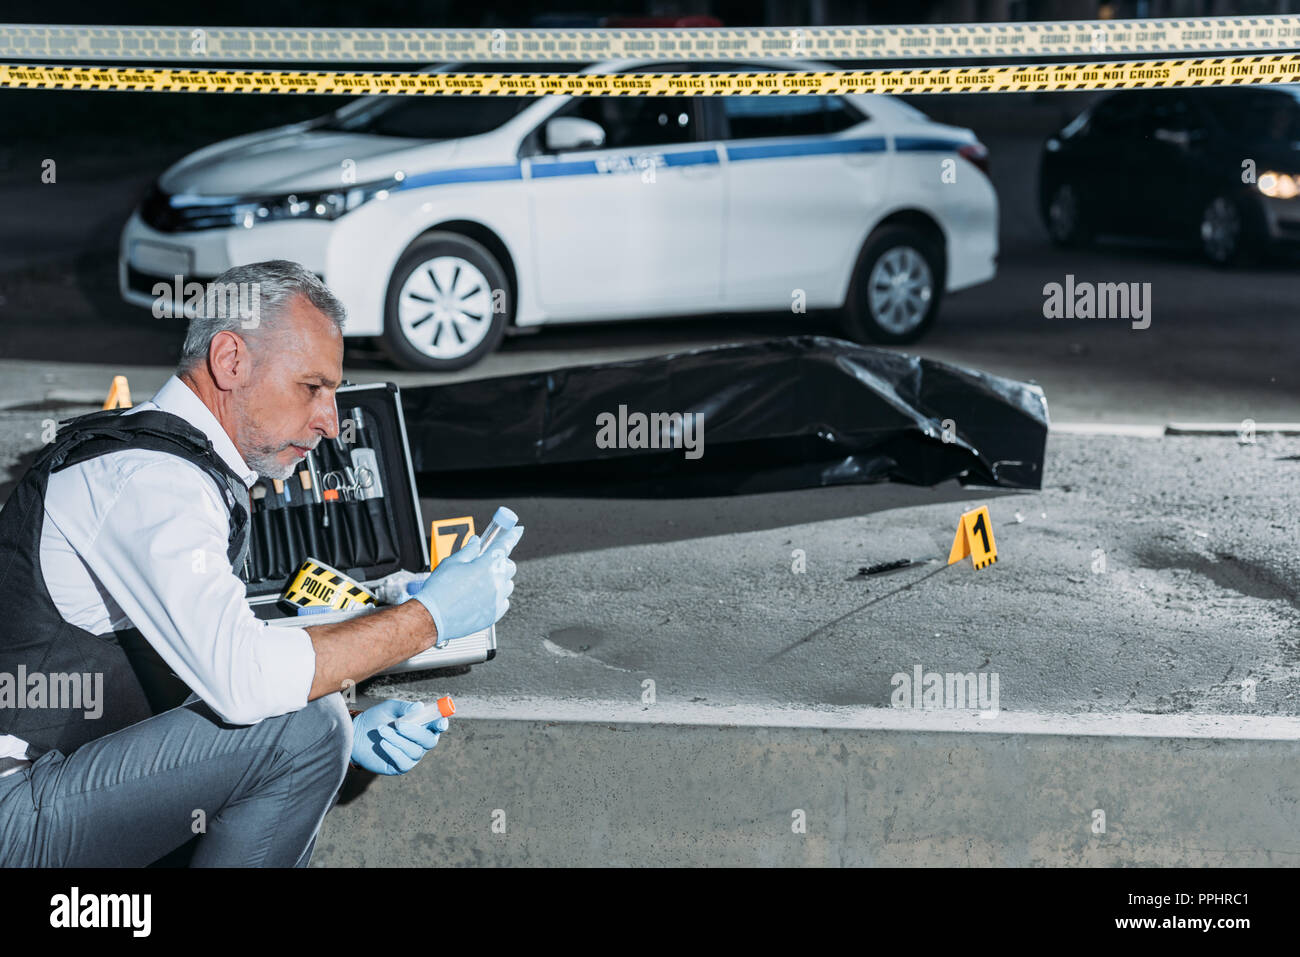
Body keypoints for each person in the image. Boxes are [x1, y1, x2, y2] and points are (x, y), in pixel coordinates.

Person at [0, 260, 522, 866]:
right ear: (230, 361)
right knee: (305, 729)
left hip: (48, 785)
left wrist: (354, 729)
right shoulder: (148, 480)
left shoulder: (159, 461)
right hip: (15, 812)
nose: (331, 420)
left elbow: (212, 649)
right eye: (312, 387)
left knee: (322, 723)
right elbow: (243, 681)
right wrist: (428, 619)